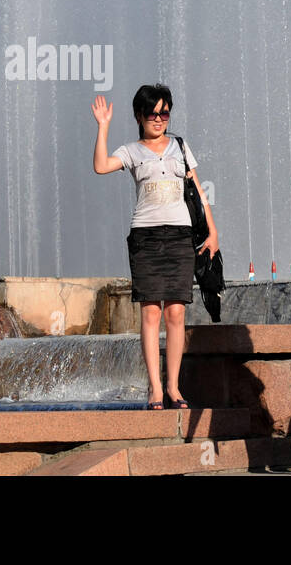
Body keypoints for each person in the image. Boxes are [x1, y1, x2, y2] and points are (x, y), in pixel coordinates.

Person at [92, 84, 218, 410]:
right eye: (153, 113)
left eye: (165, 112)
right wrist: (103, 127)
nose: (159, 119)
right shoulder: (132, 151)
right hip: (145, 237)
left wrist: (212, 231)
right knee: (151, 313)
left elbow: (197, 191)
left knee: (176, 312)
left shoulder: (180, 145)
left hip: (180, 235)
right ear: (139, 116)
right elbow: (101, 166)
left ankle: (174, 388)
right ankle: (156, 389)